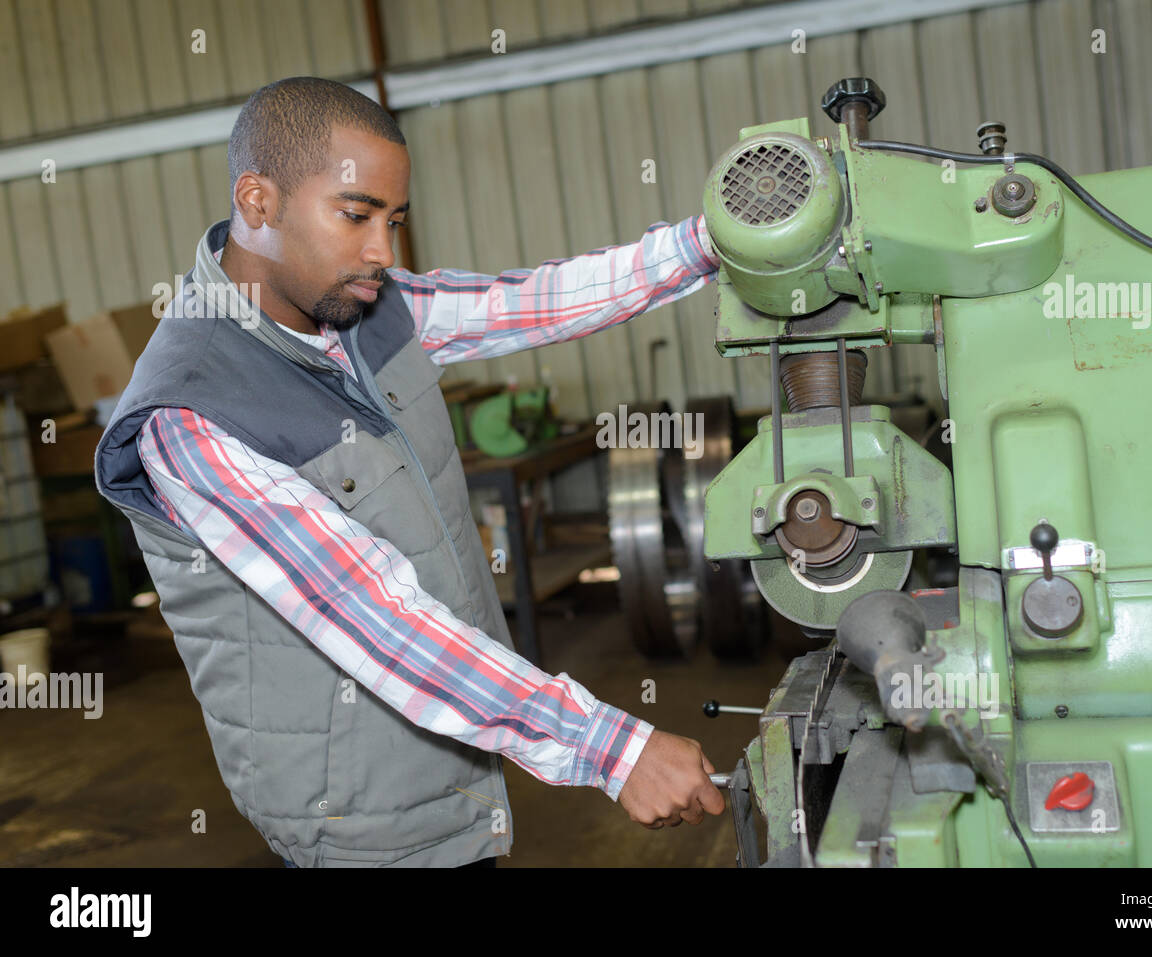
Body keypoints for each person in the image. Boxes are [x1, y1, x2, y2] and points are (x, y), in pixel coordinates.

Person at [95, 76, 726, 868]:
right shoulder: (193, 416)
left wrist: (707, 243)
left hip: (454, 769)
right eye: (355, 215)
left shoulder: (357, 306)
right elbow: (380, 619)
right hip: (360, 825)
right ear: (257, 201)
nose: (382, 252)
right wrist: (612, 747)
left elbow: (530, 302)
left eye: (393, 220)